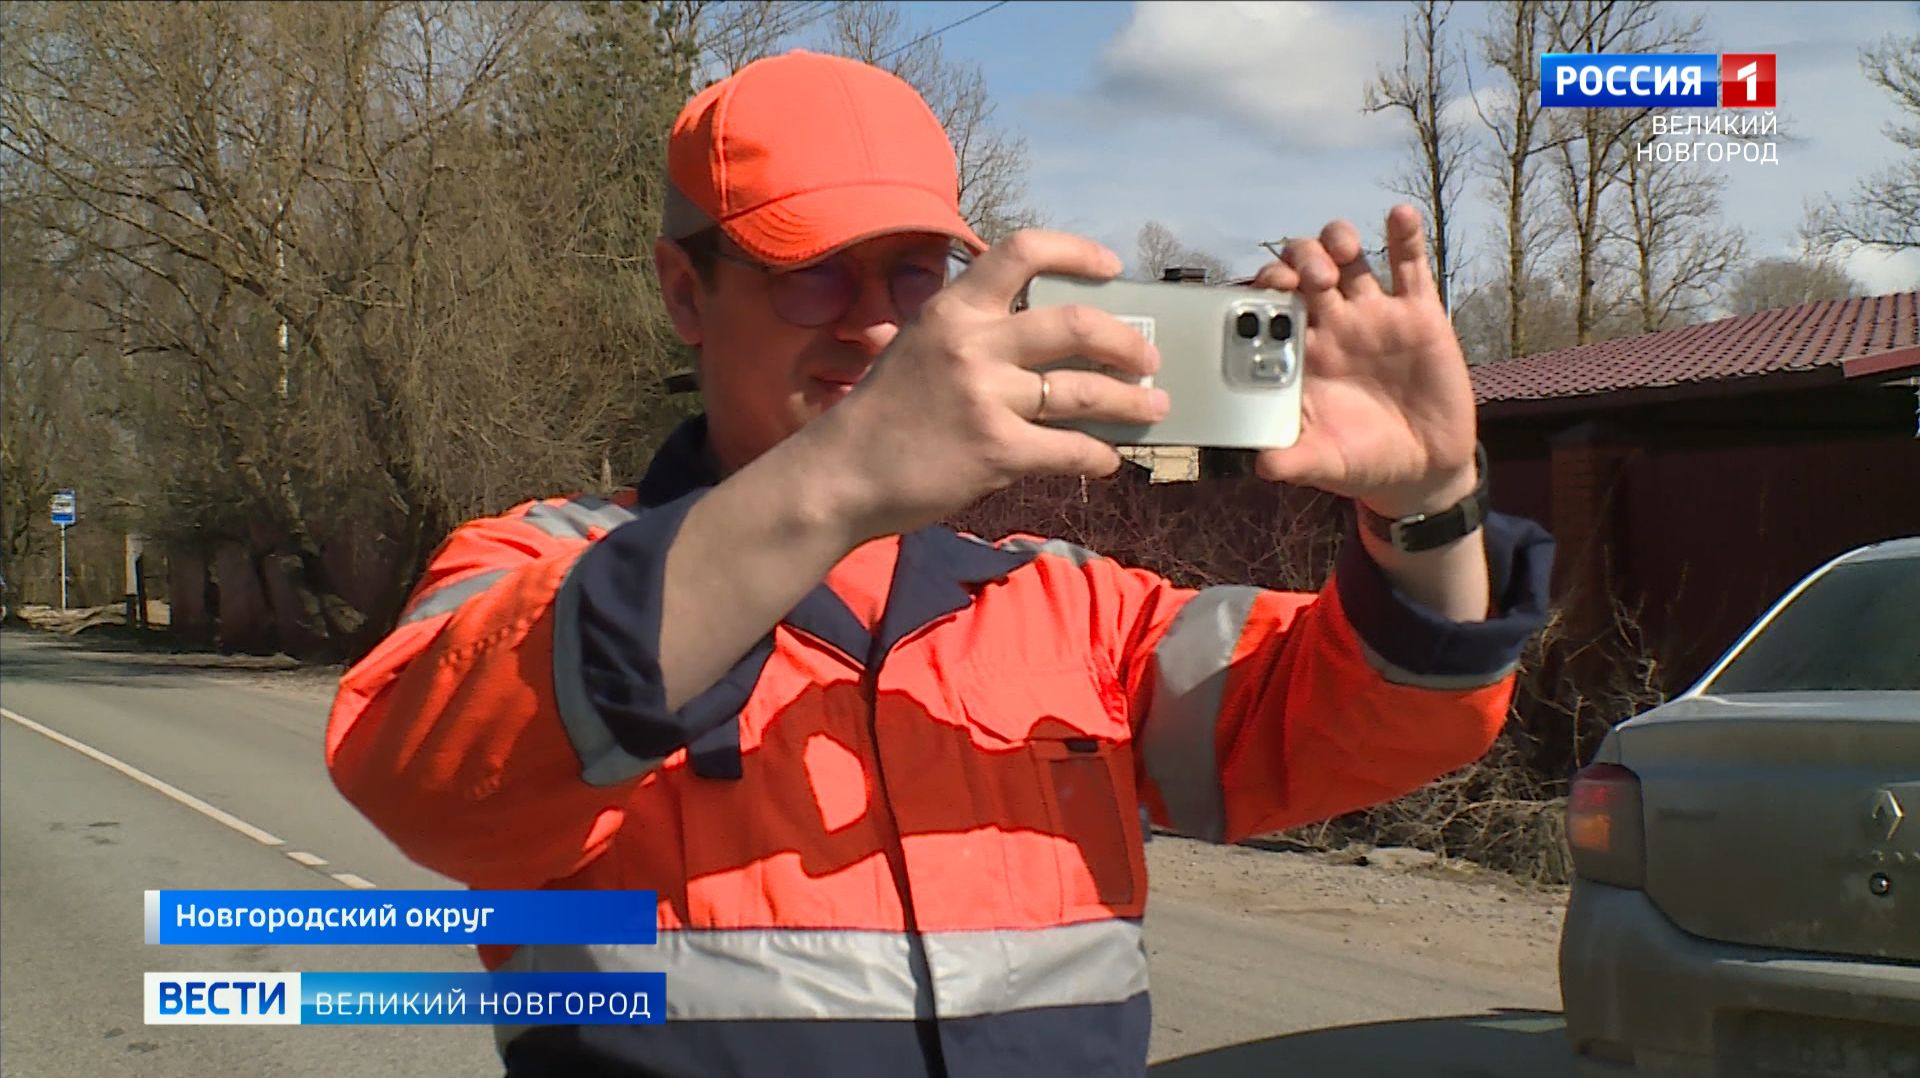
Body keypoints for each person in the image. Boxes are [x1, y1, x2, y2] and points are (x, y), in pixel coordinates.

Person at [325, 49, 1553, 1078]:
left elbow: (1382, 721)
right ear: (683, 293)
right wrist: (846, 476)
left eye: (912, 271)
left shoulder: (1061, 603)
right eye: (811, 271)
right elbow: (441, 784)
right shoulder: (546, 562)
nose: (871, 319)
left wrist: (1428, 502)